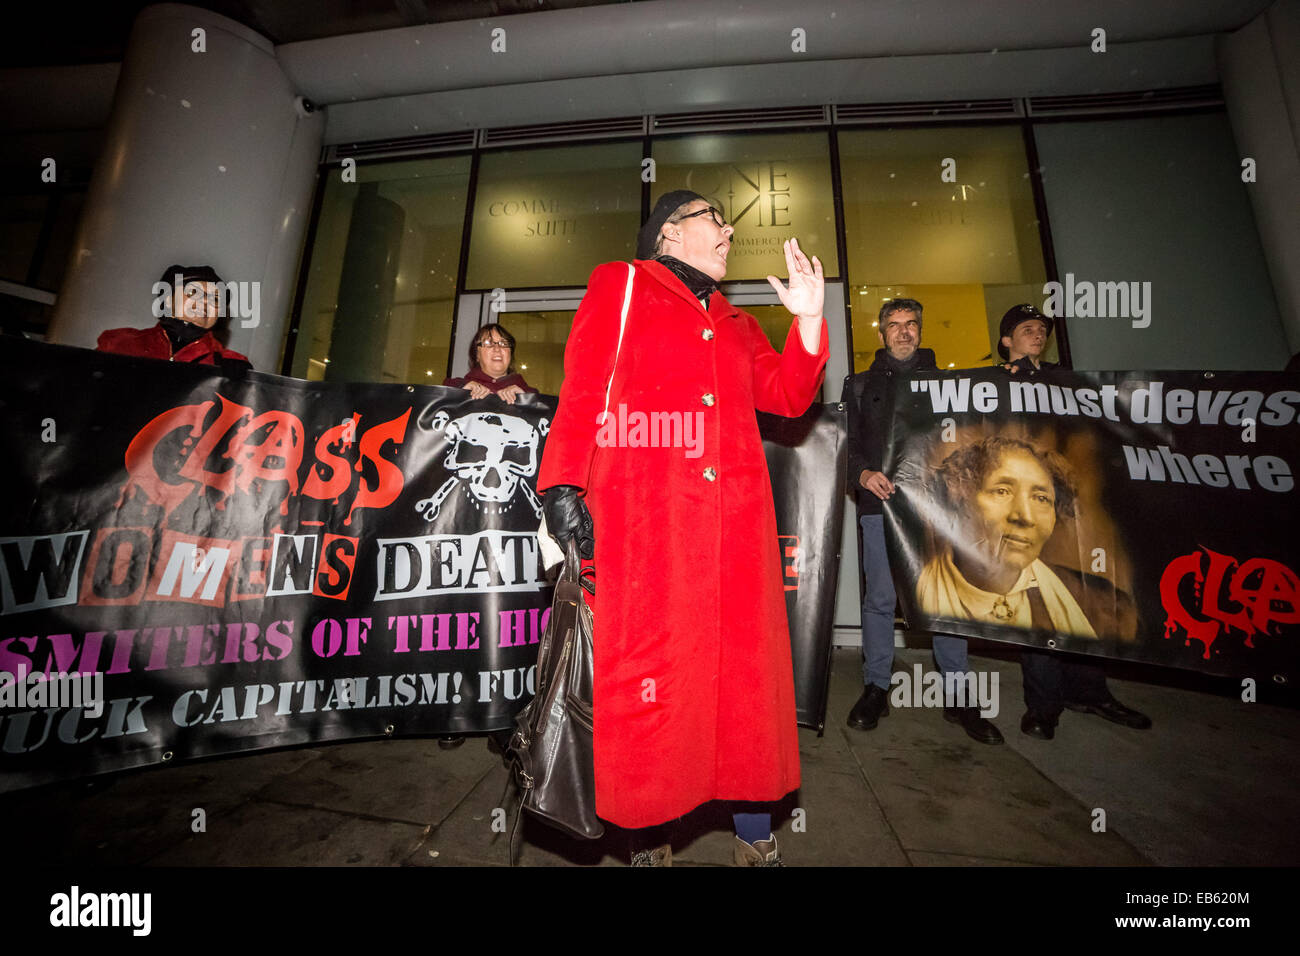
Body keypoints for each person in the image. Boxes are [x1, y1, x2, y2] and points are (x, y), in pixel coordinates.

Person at [538, 189, 828, 866]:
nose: (728, 231)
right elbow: (585, 386)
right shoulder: (624, 284)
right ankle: (649, 831)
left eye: (728, 221)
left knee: (742, 680)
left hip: (734, 533)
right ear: (667, 233)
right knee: (653, 680)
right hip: (646, 525)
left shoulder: (738, 322)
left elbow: (786, 396)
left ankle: (754, 830)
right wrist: (560, 485)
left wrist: (810, 324)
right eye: (713, 219)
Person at [843, 299, 1002, 745]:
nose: (903, 332)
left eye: (911, 324)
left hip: (940, 512)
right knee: (879, 599)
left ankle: (958, 695)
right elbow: (847, 445)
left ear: (921, 330)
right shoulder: (858, 386)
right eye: (894, 326)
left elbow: (978, 437)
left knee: (946, 599)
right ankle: (877, 687)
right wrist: (862, 473)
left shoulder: (949, 384)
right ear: (881, 334)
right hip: (881, 508)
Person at [993, 304, 1152, 739]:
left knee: (1086, 594)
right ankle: (1044, 705)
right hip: (1028, 507)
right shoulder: (992, 383)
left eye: (1042, 329)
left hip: (1077, 505)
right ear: (1006, 340)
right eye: (1026, 329)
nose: (1037, 334)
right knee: (1038, 601)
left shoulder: (1066, 380)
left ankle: (1091, 691)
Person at [97, 264, 251, 369]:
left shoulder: (229, 364)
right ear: (169, 300)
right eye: (193, 292)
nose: (206, 301)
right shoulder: (119, 344)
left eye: (216, 299)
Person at [443, 323, 538, 403]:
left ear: (510, 354)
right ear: (477, 355)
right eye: (488, 343)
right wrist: (458, 392)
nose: (497, 349)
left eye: (504, 344)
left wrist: (527, 400)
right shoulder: (454, 387)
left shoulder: (533, 396)